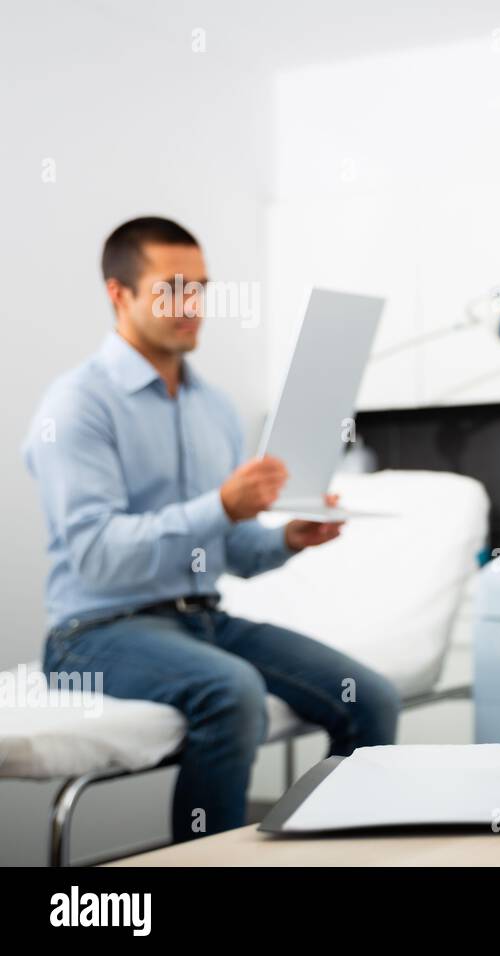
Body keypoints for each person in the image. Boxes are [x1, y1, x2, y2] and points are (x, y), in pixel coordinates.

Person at [25, 216, 402, 841]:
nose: (192, 305)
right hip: (92, 633)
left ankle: (346, 854)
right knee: (232, 692)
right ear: (119, 295)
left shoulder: (213, 407)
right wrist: (220, 506)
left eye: (201, 287)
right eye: (172, 288)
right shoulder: (77, 406)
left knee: (374, 699)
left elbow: (228, 549)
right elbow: (95, 557)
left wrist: (286, 538)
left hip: (199, 617)